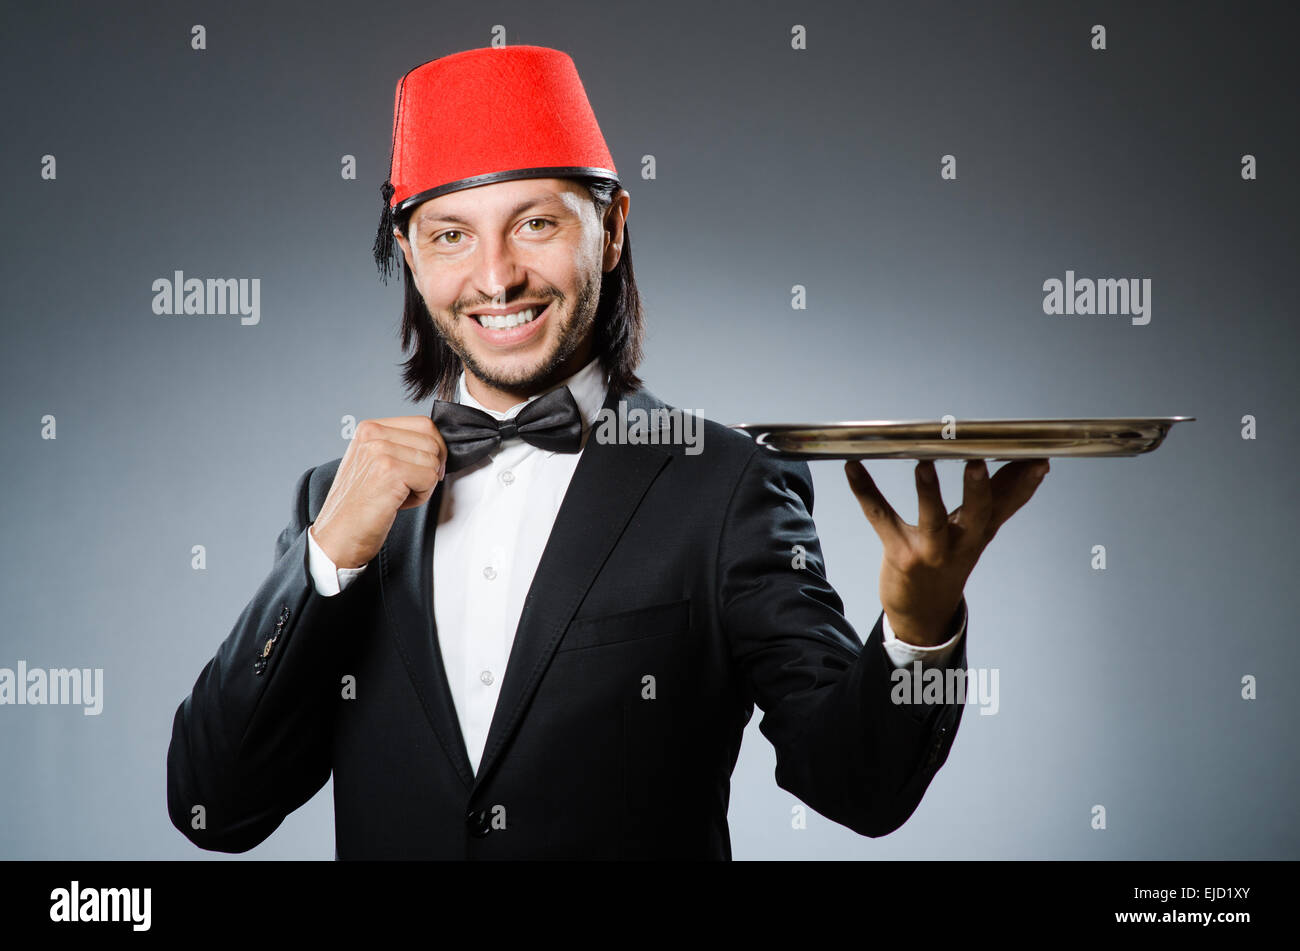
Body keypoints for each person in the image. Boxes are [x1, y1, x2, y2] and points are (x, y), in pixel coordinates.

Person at [166, 44, 1048, 859]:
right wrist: (324, 561)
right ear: (409, 253)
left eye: (536, 224)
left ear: (611, 226)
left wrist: (919, 631)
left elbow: (860, 785)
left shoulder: (727, 487)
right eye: (450, 234)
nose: (496, 275)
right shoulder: (336, 498)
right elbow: (214, 803)